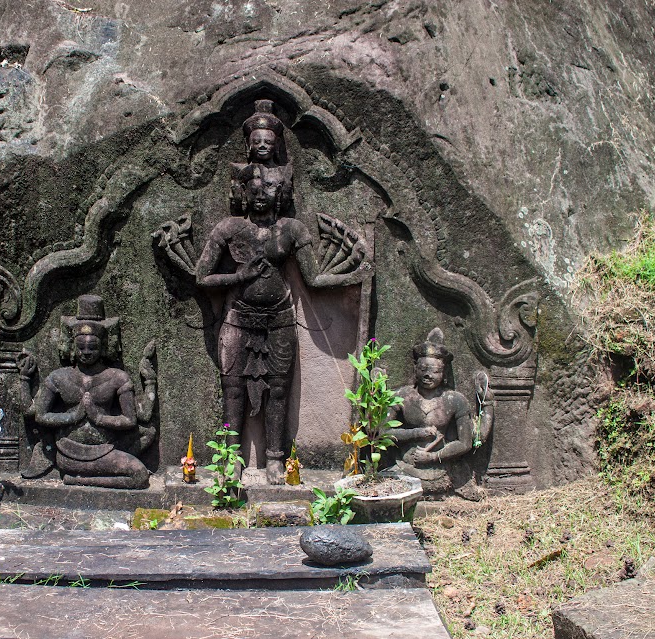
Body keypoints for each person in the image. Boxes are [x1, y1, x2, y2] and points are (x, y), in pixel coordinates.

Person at [196, 163, 365, 483]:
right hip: (237, 318)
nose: (261, 195)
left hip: (280, 319)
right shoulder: (228, 228)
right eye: (254, 189)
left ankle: (275, 457)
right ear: (242, 193)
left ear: (282, 193)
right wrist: (238, 276)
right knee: (232, 390)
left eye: (269, 189)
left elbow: (313, 277)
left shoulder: (292, 229)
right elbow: (201, 276)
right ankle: (232, 457)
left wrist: (353, 273)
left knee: (278, 390)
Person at [17, 295, 151, 489]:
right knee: (138, 474)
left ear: (104, 347)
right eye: (81, 347)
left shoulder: (117, 377)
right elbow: (39, 414)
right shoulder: (59, 377)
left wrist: (98, 418)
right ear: (72, 346)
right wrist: (73, 415)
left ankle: (78, 480)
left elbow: (130, 420)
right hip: (68, 452)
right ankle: (76, 474)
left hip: (105, 451)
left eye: (93, 347)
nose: (86, 352)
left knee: (139, 475)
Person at [387, 328, 492, 498]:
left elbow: (468, 441)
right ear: (415, 369)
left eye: (435, 371)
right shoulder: (402, 396)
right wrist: (416, 433)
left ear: (443, 373)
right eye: (423, 369)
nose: (428, 375)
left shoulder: (454, 400)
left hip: (442, 468)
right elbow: (380, 432)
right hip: (404, 465)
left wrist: (487, 404)